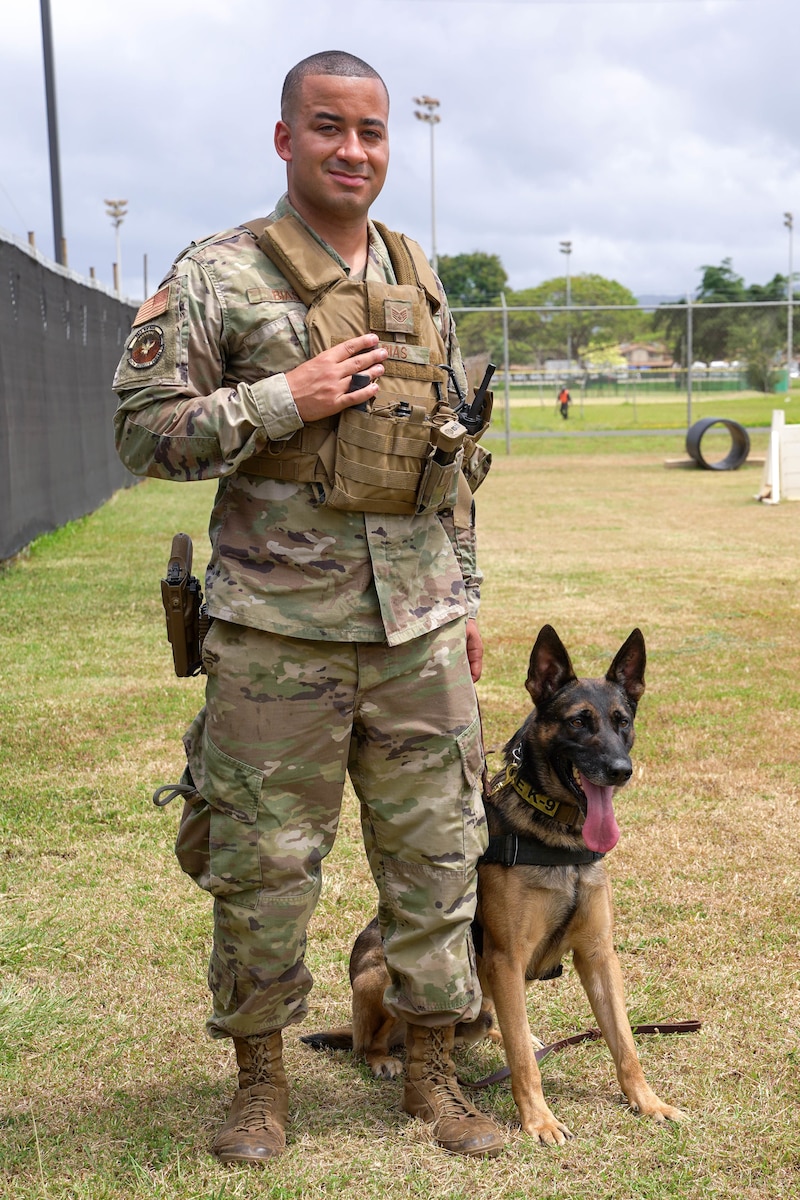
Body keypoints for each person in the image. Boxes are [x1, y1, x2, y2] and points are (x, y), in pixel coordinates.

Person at [113, 51, 502, 1163]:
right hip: (277, 630)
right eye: (328, 127)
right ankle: (260, 1085)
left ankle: (429, 1071)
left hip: (417, 623)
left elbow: (452, 448)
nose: (354, 150)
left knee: (436, 853)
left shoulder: (416, 271)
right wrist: (285, 398)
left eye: (371, 132)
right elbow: (143, 430)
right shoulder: (216, 274)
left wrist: (464, 591)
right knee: (264, 862)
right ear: (285, 138)